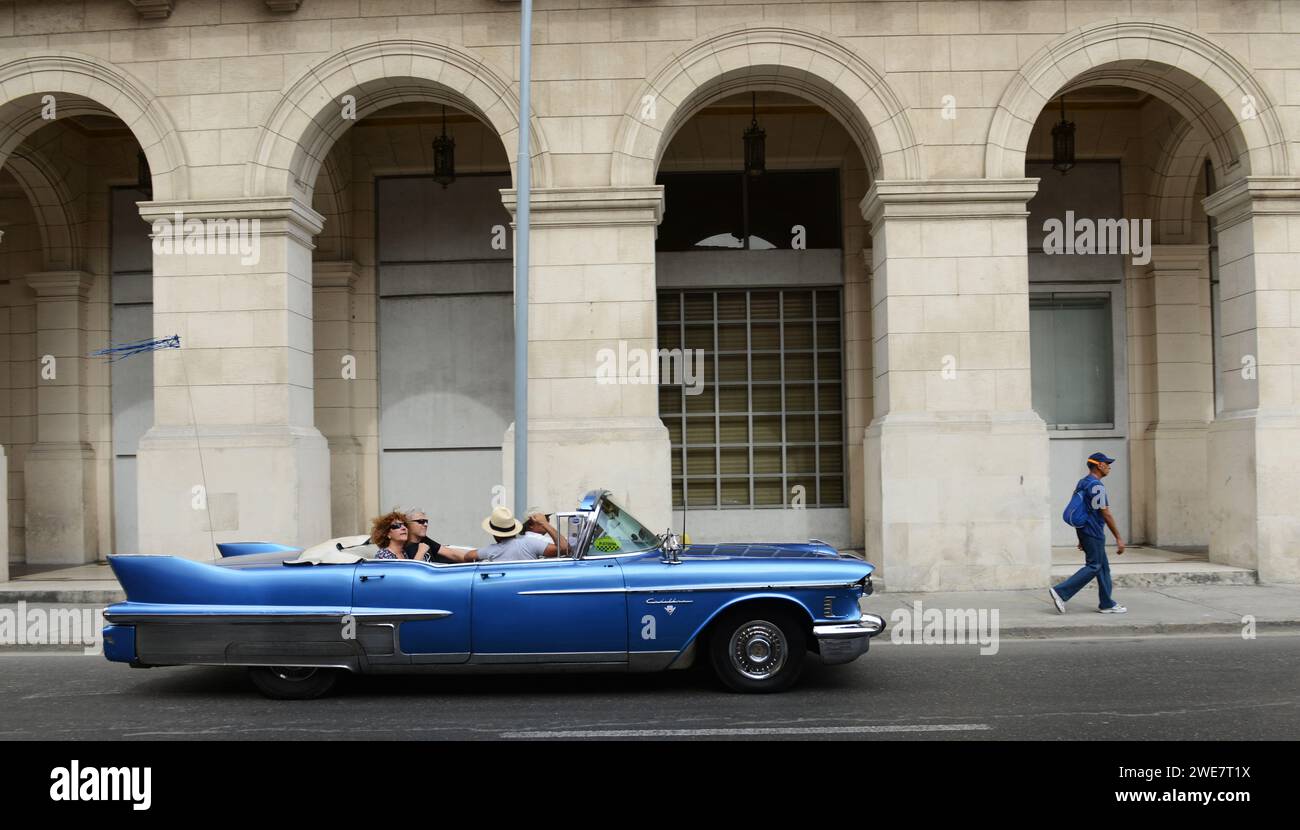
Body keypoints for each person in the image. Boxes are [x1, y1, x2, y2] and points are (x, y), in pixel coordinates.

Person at [1050, 452, 1127, 614]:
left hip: (1086, 531)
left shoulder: (1082, 482)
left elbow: (1078, 510)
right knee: (1094, 566)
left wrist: (1081, 537)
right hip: (1094, 531)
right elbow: (1105, 513)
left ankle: (1106, 603)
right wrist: (1119, 538)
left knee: (1103, 567)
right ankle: (1061, 592)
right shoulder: (1096, 485)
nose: (1109, 467)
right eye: (1107, 463)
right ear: (1099, 465)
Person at [476, 505, 568, 562]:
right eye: (545, 519)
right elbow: (565, 548)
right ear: (530, 525)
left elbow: (466, 556)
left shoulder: (490, 550)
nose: (548, 521)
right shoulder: (532, 542)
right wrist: (545, 524)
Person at [403, 508, 477, 563]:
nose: (425, 524)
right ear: (408, 524)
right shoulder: (402, 544)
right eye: (421, 521)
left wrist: (475, 558)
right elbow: (411, 573)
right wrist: (421, 551)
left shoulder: (424, 540)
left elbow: (451, 553)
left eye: (426, 521)